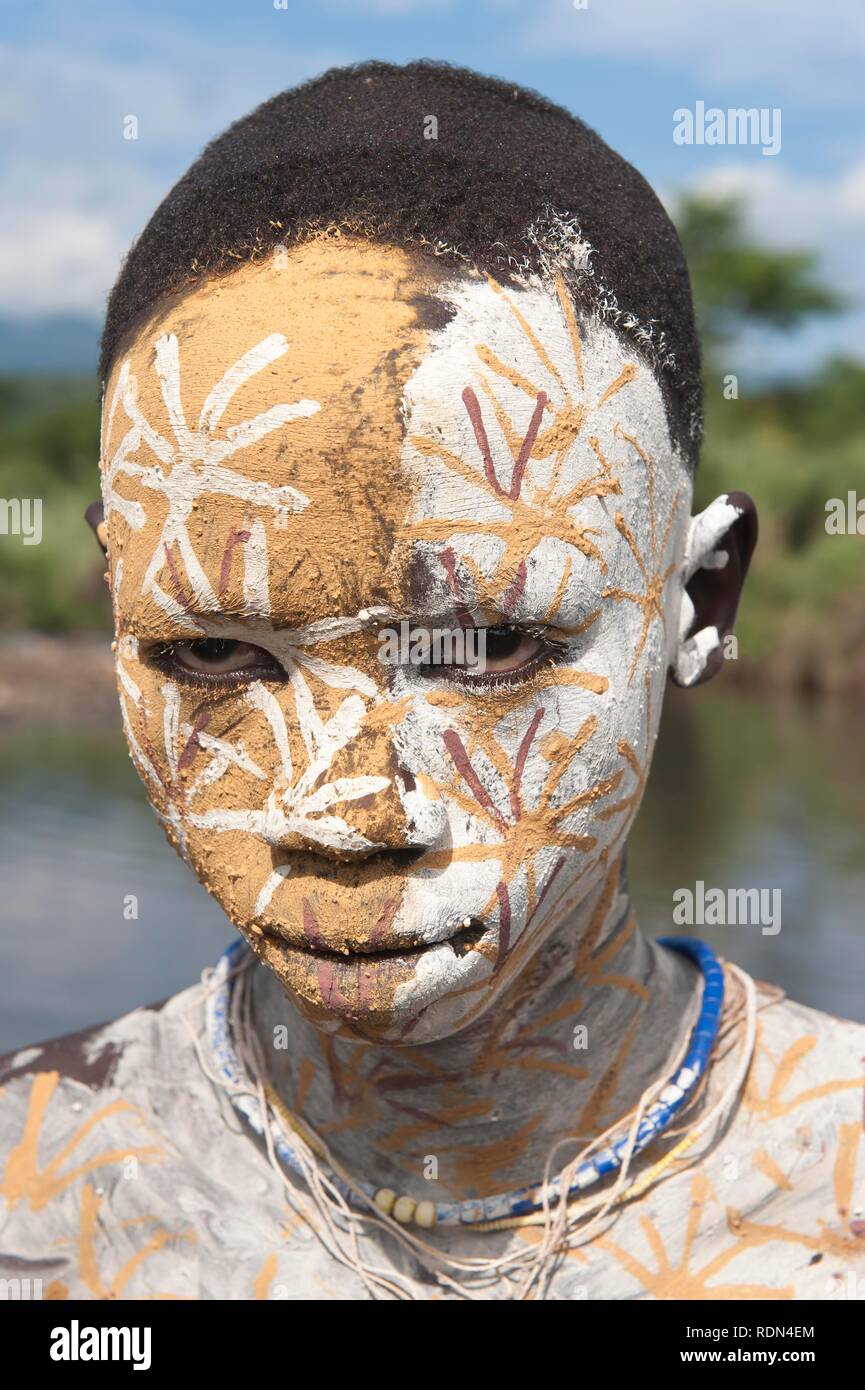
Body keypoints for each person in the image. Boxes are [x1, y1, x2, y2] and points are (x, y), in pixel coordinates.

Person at [1, 61, 862, 1302]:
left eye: (480, 651)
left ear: (701, 605)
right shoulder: (40, 1197)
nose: (344, 817)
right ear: (117, 594)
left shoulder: (836, 1187)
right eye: (210, 656)